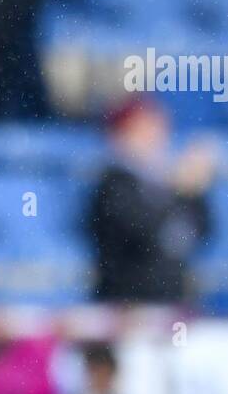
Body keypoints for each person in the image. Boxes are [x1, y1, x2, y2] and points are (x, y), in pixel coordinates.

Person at [86, 97, 216, 304]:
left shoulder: (162, 182)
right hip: (126, 304)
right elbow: (143, 233)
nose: (155, 138)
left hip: (172, 301)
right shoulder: (112, 185)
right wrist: (180, 191)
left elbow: (201, 232)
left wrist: (195, 192)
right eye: (144, 130)